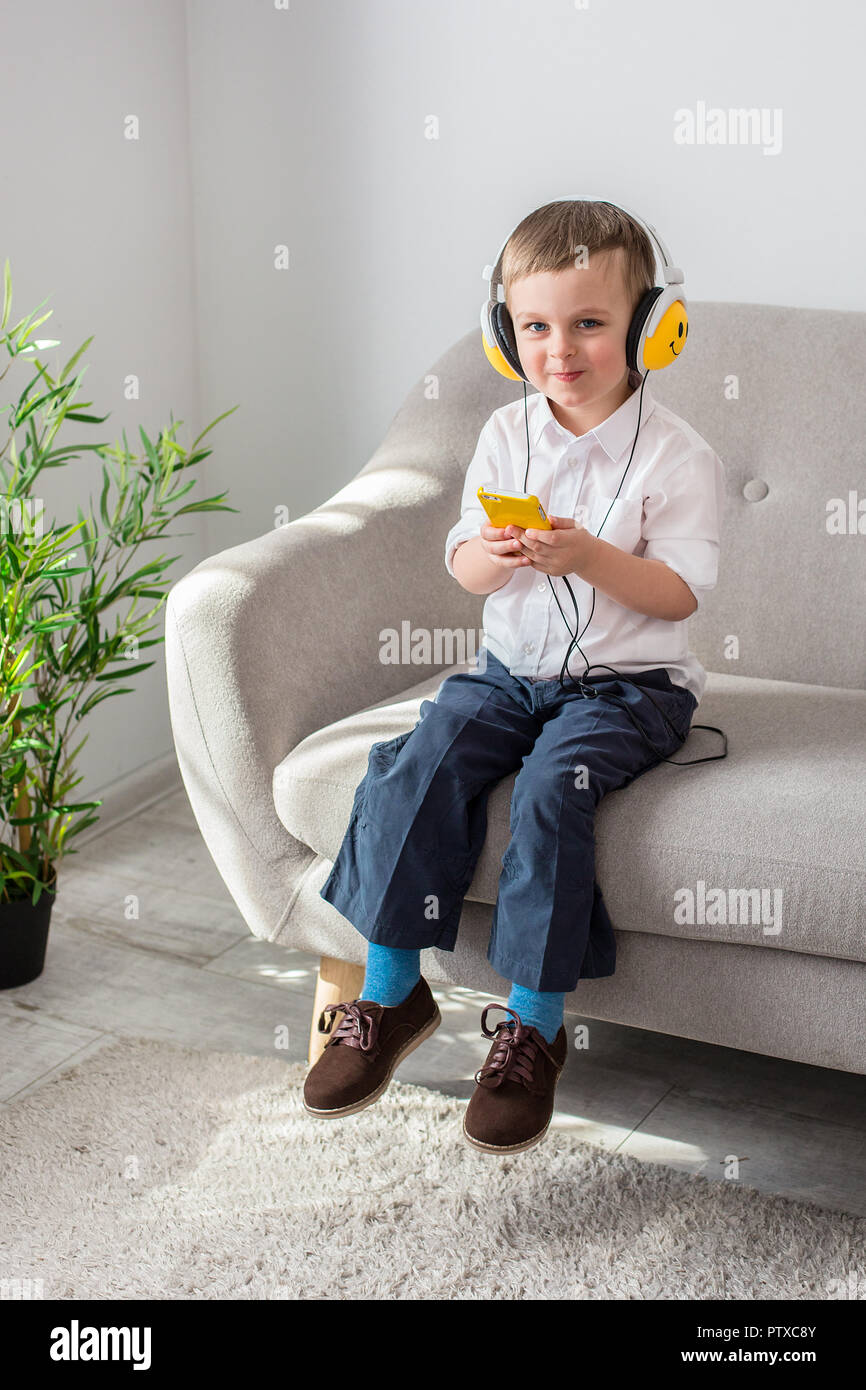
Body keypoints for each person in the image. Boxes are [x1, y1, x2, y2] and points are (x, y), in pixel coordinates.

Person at [304, 199, 726, 1154]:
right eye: (535, 326)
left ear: (651, 326)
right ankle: (389, 992)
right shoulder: (506, 433)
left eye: (589, 323)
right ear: (505, 335)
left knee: (549, 789)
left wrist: (586, 556)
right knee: (416, 763)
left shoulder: (676, 452)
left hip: (631, 687)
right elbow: (464, 570)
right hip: (509, 673)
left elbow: (677, 596)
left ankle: (532, 1026)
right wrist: (498, 554)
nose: (561, 350)